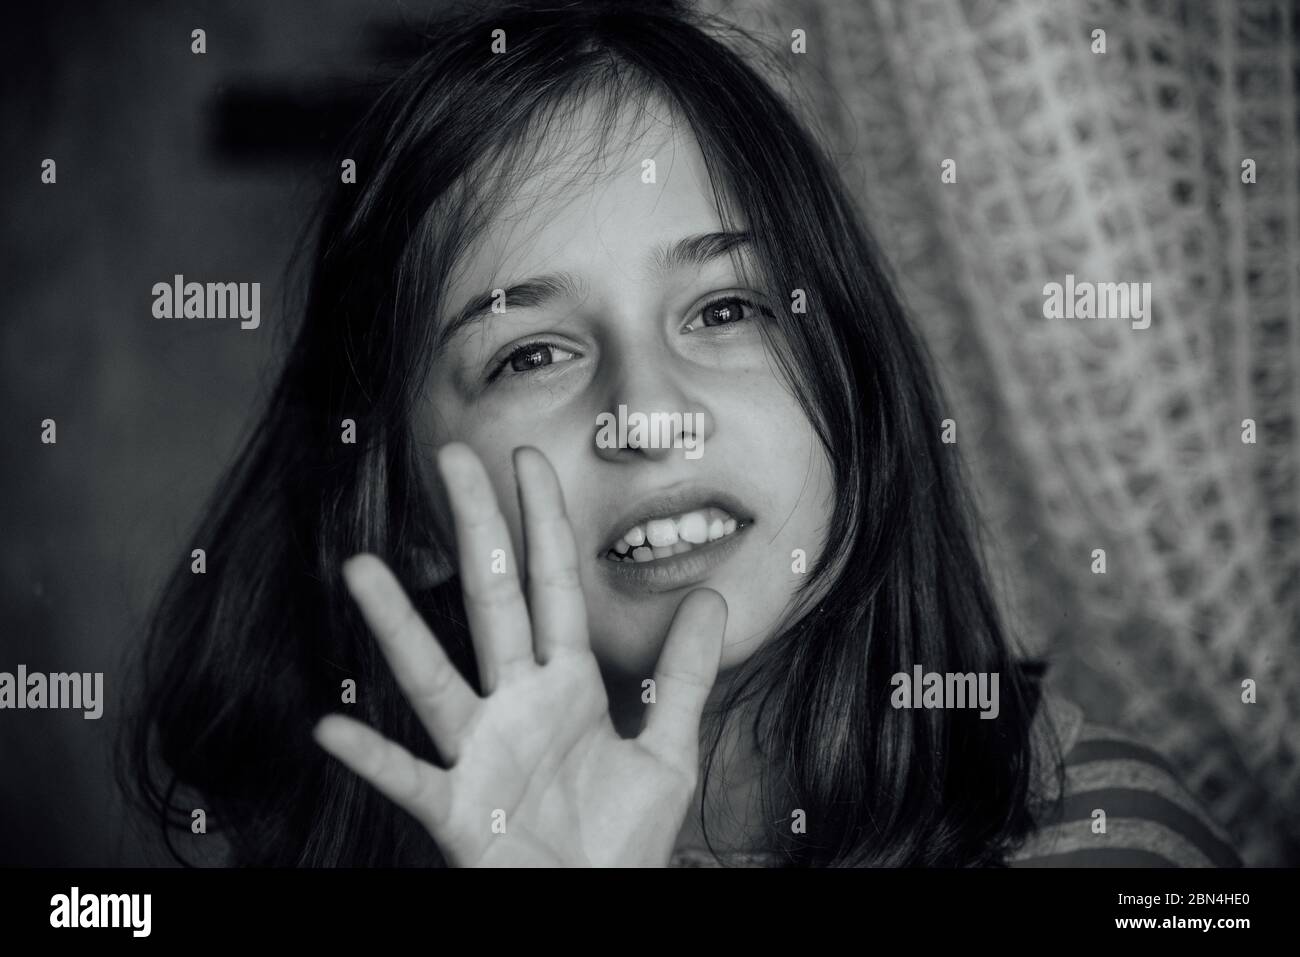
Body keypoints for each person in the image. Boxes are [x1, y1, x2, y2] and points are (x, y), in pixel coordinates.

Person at [122, 0, 1239, 868]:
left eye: (724, 310)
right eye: (530, 355)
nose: (647, 414)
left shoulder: (1097, 838)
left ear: (854, 383)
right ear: (409, 515)